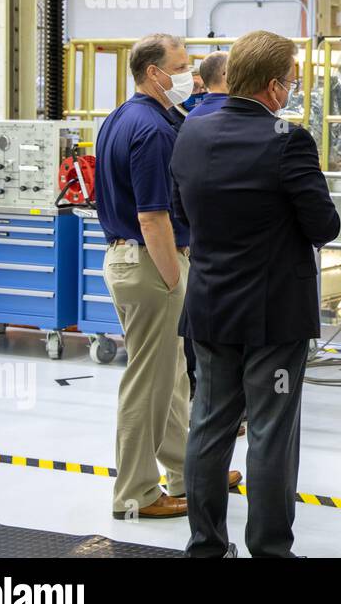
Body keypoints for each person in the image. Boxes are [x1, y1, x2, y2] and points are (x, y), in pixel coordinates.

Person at [172, 30, 340, 558]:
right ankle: (270, 548)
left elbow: (183, 217)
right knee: (270, 430)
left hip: (209, 305)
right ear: (273, 86)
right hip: (273, 316)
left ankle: (205, 545)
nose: (291, 90)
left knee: (209, 424)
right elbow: (324, 226)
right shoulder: (287, 140)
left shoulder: (190, 135)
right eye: (290, 81)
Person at [95, 33, 238, 520]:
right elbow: (152, 217)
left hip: (127, 259)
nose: (190, 76)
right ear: (154, 73)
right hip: (152, 263)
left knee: (171, 376)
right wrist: (175, 279)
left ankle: (187, 472)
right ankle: (135, 492)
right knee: (149, 383)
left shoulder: (122, 117)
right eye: (180, 67)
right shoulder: (153, 131)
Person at [181, 50, 230, 402]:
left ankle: (199, 398)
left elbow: (177, 201)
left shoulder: (188, 122)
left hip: (199, 255)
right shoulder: (257, 122)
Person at [184, 51, 228, 120]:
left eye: (205, 86)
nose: (201, 91)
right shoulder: (171, 119)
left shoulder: (218, 113)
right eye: (194, 87)